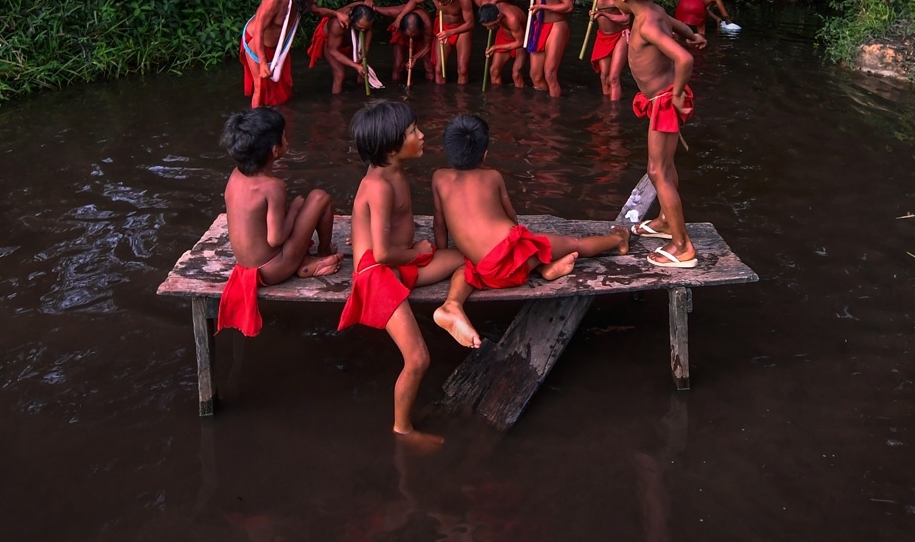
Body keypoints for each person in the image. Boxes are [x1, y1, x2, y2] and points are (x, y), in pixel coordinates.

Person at [431, 115, 631, 348]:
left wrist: (444, 253)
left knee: (466, 267)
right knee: (573, 243)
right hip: (509, 265)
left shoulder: (439, 178)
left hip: (484, 268)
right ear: (484, 154)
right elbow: (512, 218)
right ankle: (618, 239)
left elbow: (439, 224)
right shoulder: (492, 176)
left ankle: (452, 304)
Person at [338, 101, 464, 449]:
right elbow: (379, 254)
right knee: (419, 358)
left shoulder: (394, 171)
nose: (422, 136)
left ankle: (452, 307)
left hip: (399, 264)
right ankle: (402, 430)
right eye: (413, 132)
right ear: (392, 147)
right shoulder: (379, 186)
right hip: (378, 273)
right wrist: (418, 253)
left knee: (466, 259)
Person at [608, 0, 706, 269]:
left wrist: (677, 95)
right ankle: (665, 221)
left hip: (665, 101)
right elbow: (679, 28)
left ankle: (682, 245)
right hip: (659, 101)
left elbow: (684, 60)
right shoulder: (653, 13)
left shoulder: (647, 24)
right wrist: (694, 35)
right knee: (664, 165)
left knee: (657, 171)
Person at [215, 108, 342, 337]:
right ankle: (319, 255)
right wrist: (293, 210)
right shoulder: (272, 186)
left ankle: (304, 262)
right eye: (284, 137)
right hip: (272, 268)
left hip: (248, 264)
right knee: (319, 197)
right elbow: (275, 237)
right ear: (275, 150)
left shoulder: (235, 175)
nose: (287, 140)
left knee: (307, 205)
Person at [243, 0, 345, 106]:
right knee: (261, 87)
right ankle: (254, 124)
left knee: (285, 86)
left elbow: (317, 11)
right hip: (256, 44)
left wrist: (337, 14)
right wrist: (263, 63)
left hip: (279, 47)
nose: (316, 1)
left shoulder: (301, 1)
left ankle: (279, 119)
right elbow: (258, 30)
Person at [488, 0, 575, 97]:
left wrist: (543, 7)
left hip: (557, 25)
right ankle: (542, 108)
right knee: (535, 76)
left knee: (549, 73)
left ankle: (555, 112)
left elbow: (569, 6)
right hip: (539, 26)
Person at [390, 0, 476, 85]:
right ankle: (440, 100)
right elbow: (414, 0)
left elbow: (470, 24)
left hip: (461, 28)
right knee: (439, 69)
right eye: (438, 1)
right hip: (443, 27)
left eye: (443, 1)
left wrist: (451, 32)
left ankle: (462, 100)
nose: (440, 5)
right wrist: (400, 17)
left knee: (462, 69)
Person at [570, 0, 630, 101]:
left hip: (620, 36)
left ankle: (614, 114)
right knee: (604, 76)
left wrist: (605, 14)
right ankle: (607, 107)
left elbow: (626, 19)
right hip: (603, 36)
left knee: (613, 77)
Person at [306, 2, 379, 94]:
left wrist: (366, 48)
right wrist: (355, 66)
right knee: (340, 74)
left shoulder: (365, 13)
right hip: (332, 45)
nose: (363, 31)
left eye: (365, 28)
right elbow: (333, 51)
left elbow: (368, 30)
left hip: (351, 41)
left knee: (362, 69)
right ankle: (337, 105)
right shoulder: (337, 24)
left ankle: (361, 97)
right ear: (352, 19)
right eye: (360, 28)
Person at [477, 3, 528, 88]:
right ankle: (496, 98)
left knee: (516, 74)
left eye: (491, 25)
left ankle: (519, 99)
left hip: (521, 38)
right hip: (504, 34)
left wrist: (495, 47)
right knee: (494, 71)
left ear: (498, 17)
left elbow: (520, 42)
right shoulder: (491, 5)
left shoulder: (512, 19)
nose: (489, 29)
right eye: (487, 27)